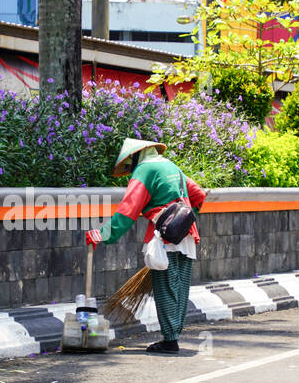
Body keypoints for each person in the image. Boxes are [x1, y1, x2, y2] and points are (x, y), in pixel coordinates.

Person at [85, 138, 207, 354]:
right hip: (187, 235)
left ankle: (170, 341)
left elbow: (128, 210)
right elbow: (198, 194)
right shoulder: (171, 166)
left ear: (135, 156)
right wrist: (187, 218)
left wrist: (102, 234)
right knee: (179, 288)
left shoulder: (144, 170)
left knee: (166, 288)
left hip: (165, 238)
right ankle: (173, 336)